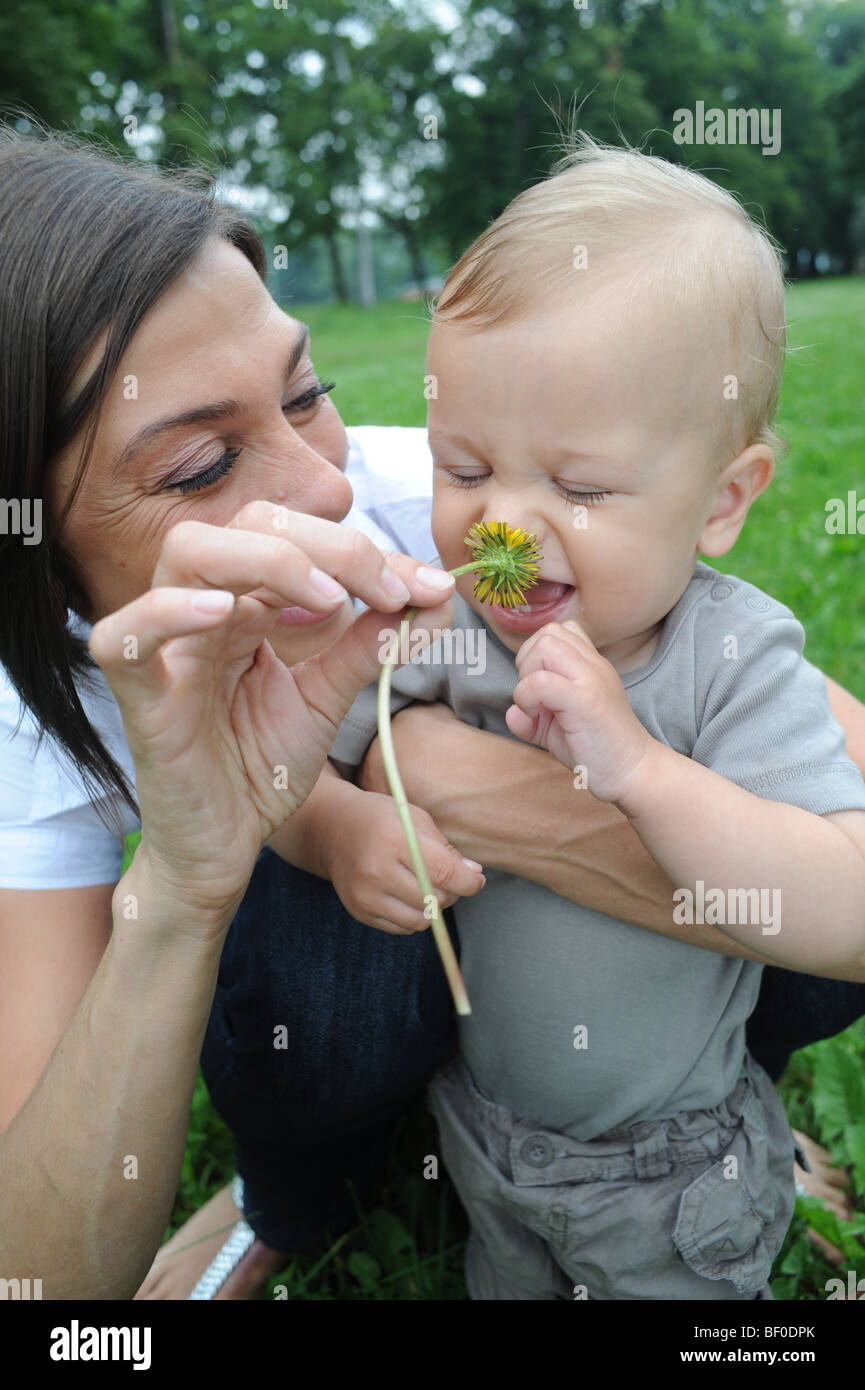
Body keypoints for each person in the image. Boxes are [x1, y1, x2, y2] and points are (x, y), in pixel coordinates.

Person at [1, 127, 862, 1302]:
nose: (329, 492)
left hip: (660, 1109)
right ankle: (296, 1193)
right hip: (489, 1103)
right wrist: (248, 853)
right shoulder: (40, 719)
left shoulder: (529, 557)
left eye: (309, 394)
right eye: (202, 463)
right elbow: (36, 1288)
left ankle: (733, 1103)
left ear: (722, 499)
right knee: (308, 953)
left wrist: (561, 780)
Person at [317, 140, 865, 1299]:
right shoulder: (456, 627)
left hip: (671, 1173)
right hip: (485, 1130)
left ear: (721, 499)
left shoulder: (730, 658)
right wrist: (335, 822)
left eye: (577, 487)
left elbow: (847, 907)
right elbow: (302, 755)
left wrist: (637, 767)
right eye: (464, 467)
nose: (502, 527)